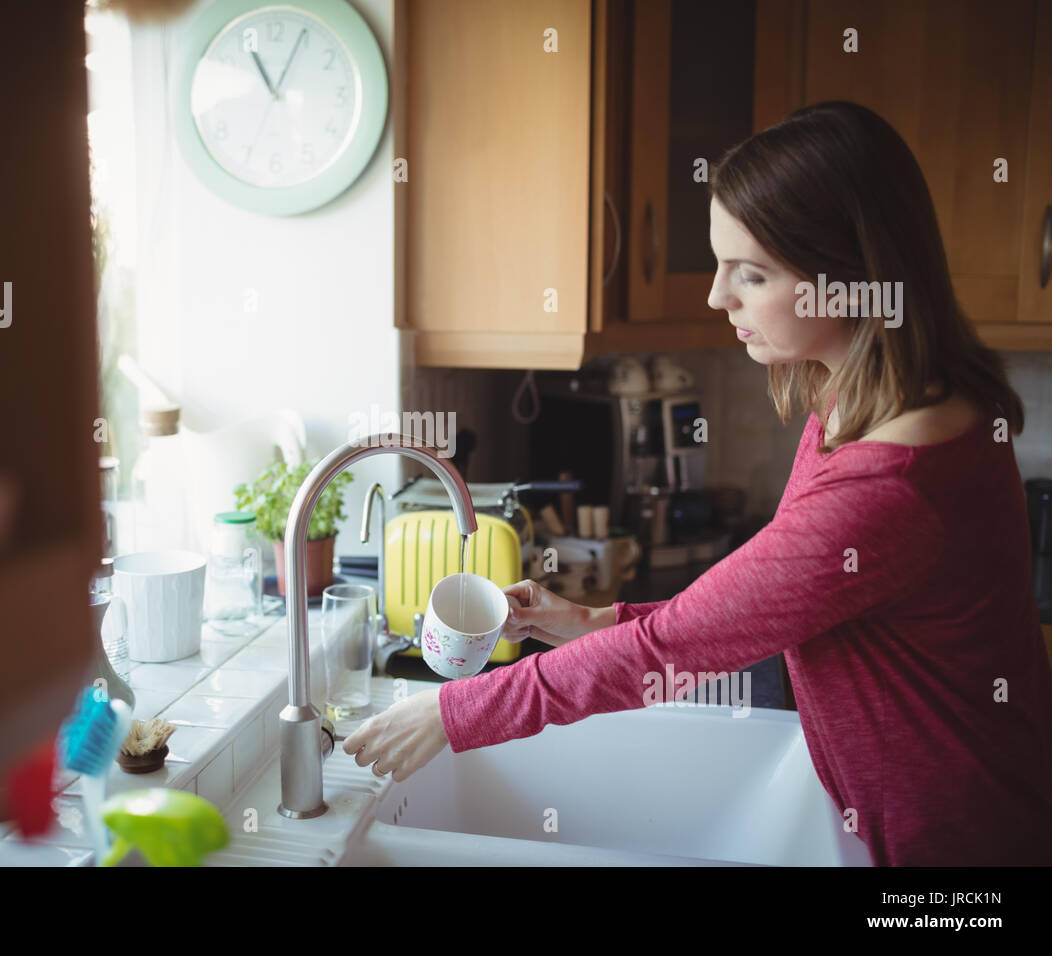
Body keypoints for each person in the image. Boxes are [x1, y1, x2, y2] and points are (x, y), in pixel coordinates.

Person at [344, 101, 1052, 866]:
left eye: (752, 273)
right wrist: (592, 623)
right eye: (720, 264)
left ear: (852, 276)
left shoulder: (887, 485)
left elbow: (670, 650)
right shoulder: (869, 398)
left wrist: (456, 713)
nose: (718, 297)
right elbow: (724, 623)